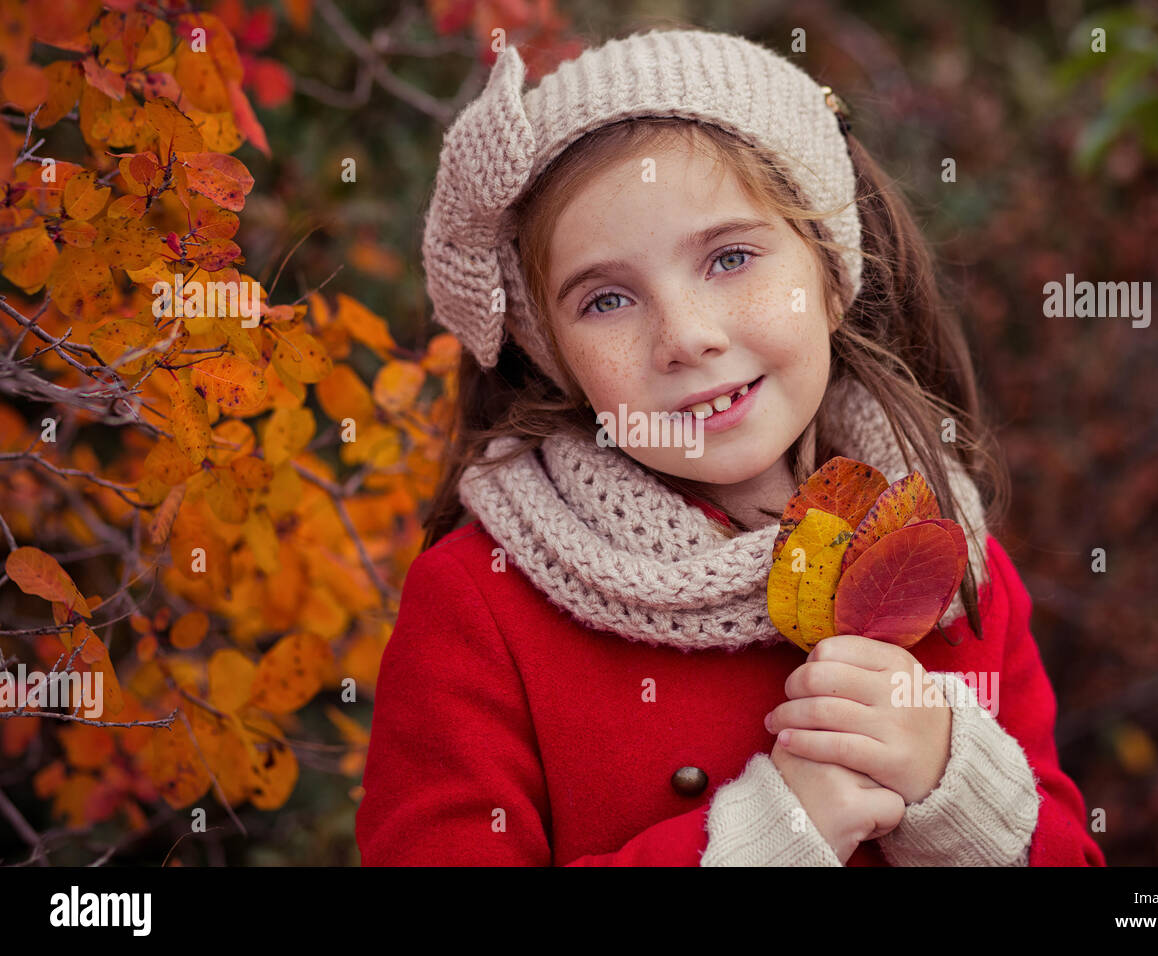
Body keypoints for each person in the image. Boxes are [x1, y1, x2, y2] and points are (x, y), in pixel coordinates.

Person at [355, 28, 1106, 866]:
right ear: (553, 357)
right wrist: (768, 838)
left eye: (731, 257)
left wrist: (955, 791)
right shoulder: (480, 604)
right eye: (606, 299)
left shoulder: (947, 558)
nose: (686, 337)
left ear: (828, 271)